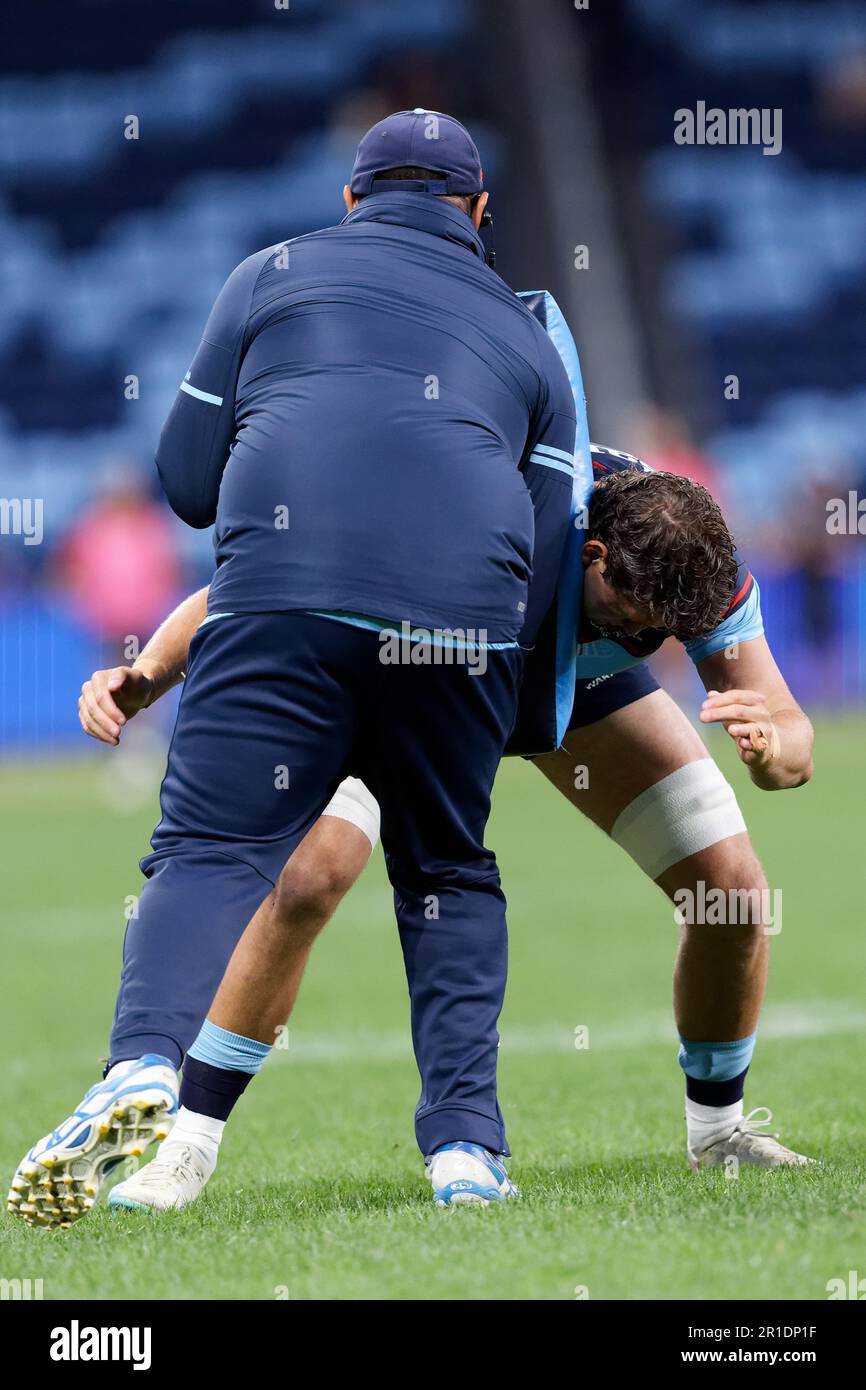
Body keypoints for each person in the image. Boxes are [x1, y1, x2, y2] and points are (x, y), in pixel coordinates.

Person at [7, 114, 579, 1230]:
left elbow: (183, 481)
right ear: (477, 212)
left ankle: (140, 1067)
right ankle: (465, 1152)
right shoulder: (528, 339)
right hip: (462, 624)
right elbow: (552, 543)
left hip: (280, 599)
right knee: (446, 873)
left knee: (211, 852)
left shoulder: (269, 272)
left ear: (353, 199)